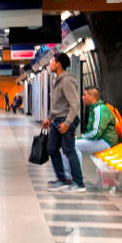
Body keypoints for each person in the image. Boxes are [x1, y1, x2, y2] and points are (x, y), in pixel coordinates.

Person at [42, 51, 84, 191]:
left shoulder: (66, 81)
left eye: (52, 62)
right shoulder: (58, 80)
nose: (50, 64)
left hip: (65, 120)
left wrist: (67, 123)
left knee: (69, 150)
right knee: (51, 149)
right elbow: (57, 104)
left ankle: (79, 183)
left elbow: (75, 104)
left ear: (58, 64)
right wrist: (49, 118)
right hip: (56, 120)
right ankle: (62, 179)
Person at [75, 87, 119, 169]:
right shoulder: (94, 108)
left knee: (74, 145)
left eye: (85, 95)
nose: (82, 97)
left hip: (106, 142)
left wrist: (79, 137)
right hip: (101, 140)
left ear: (92, 97)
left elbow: (95, 133)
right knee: (74, 143)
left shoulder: (99, 109)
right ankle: (73, 175)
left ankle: (76, 176)